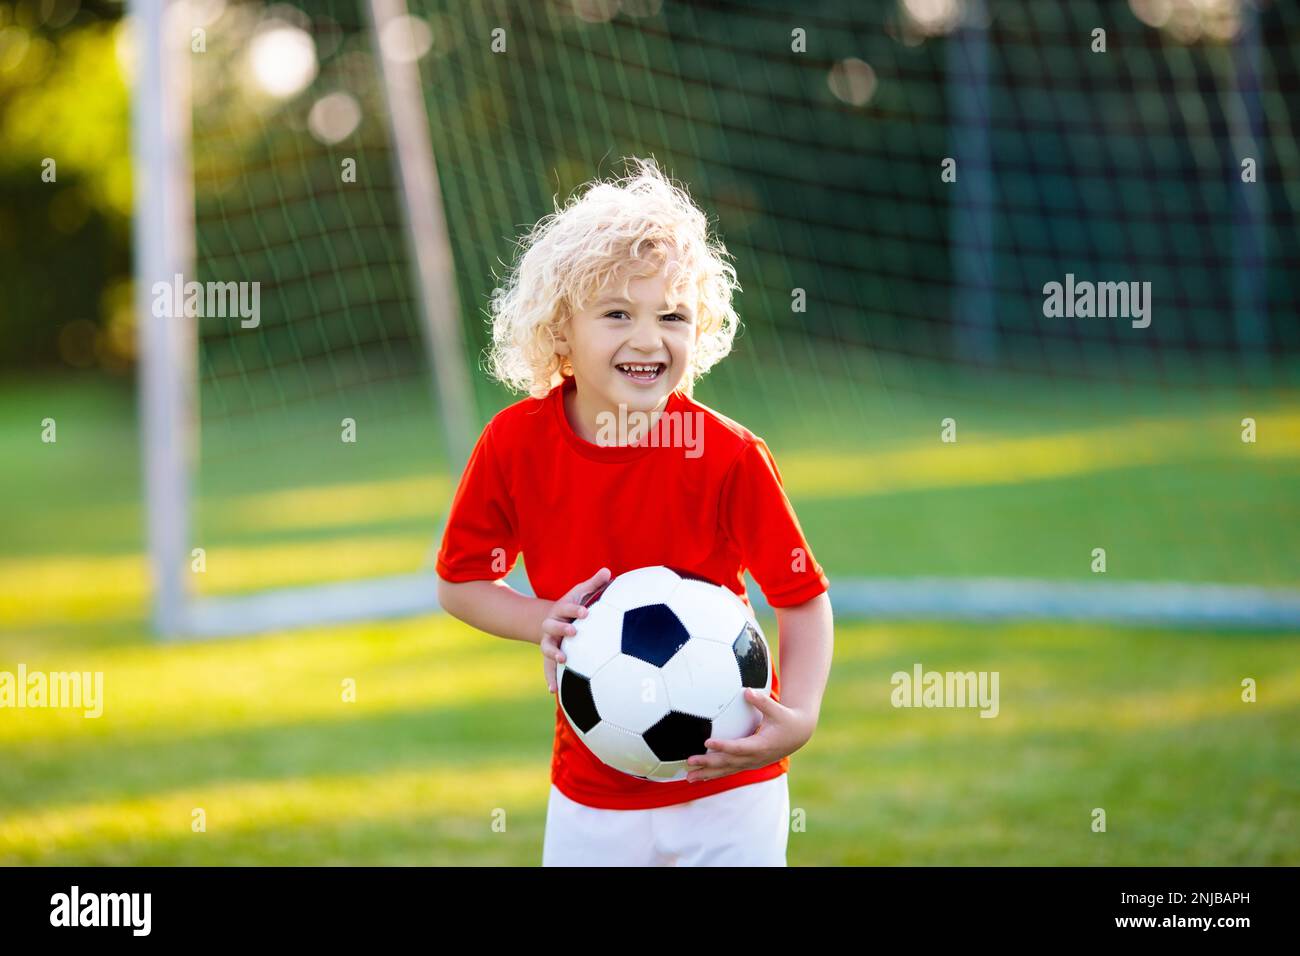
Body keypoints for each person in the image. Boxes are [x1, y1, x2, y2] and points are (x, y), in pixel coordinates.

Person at [435, 157, 834, 866]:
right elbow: (460, 581)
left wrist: (798, 716)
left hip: (730, 782)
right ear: (560, 331)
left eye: (672, 316)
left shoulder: (728, 455)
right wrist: (541, 618)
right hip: (593, 788)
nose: (649, 339)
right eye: (618, 313)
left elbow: (802, 600)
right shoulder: (514, 445)